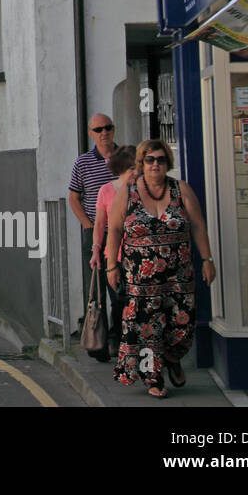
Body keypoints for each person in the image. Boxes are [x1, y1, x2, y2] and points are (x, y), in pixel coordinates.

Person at [105, 140, 216, 397]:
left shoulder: (181, 190)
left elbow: (198, 227)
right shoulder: (128, 191)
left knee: (182, 324)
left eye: (161, 160)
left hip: (179, 275)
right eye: (150, 160)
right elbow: (115, 230)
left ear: (168, 163)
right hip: (141, 277)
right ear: (141, 163)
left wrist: (208, 260)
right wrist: (112, 265)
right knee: (147, 327)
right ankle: (153, 379)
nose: (155, 164)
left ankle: (173, 358)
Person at [89, 144, 139, 353]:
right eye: (131, 170)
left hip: (140, 255)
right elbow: (100, 224)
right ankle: (119, 343)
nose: (136, 174)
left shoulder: (142, 191)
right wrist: (96, 250)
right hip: (115, 256)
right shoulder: (107, 191)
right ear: (121, 170)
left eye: (138, 169)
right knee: (119, 304)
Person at [68, 113, 118, 321]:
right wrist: (88, 226)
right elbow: (73, 198)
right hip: (96, 234)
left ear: (113, 130)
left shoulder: (127, 158)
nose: (104, 132)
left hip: (123, 235)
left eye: (107, 127)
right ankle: (99, 340)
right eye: (98, 130)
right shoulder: (83, 163)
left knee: (120, 289)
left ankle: (119, 338)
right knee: (96, 288)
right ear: (91, 134)